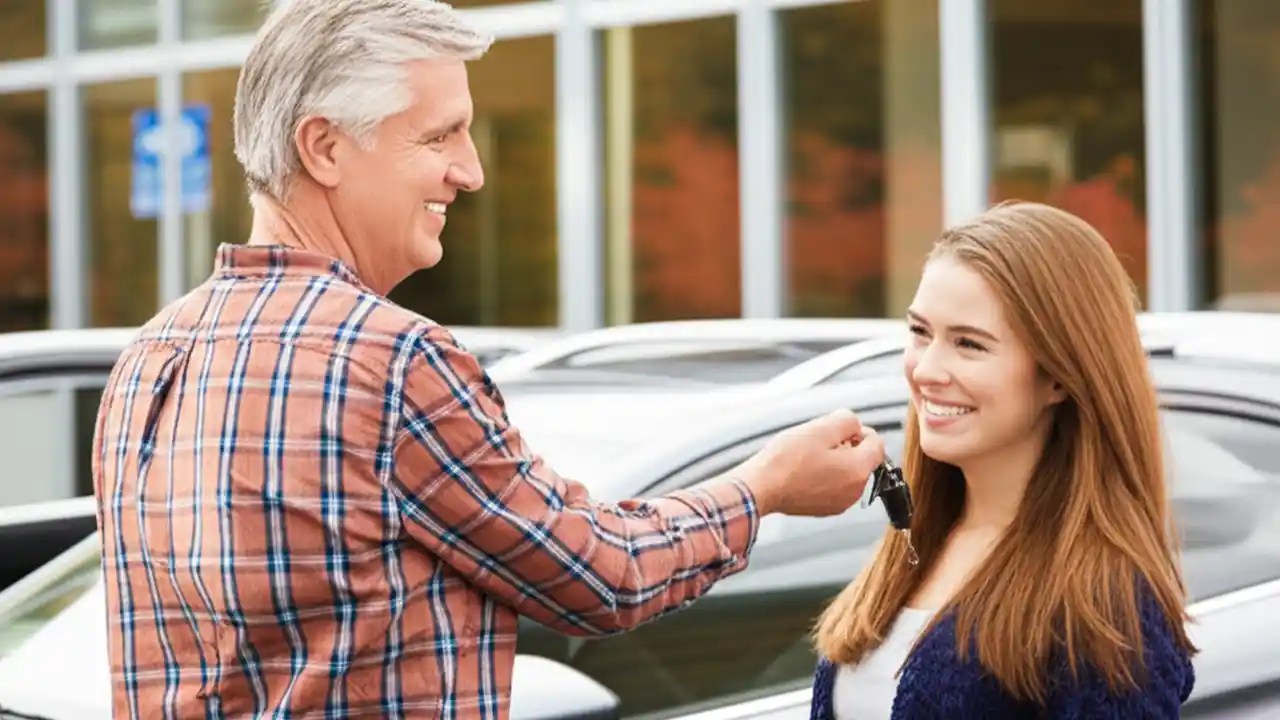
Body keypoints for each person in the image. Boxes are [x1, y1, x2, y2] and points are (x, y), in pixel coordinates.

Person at [89, 1, 886, 717]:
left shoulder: (146, 362)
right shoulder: (392, 362)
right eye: (439, 135)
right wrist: (765, 487)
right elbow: (602, 572)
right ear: (324, 147)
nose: (470, 171)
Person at [808, 201, 1197, 718]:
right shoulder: (916, 541)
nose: (927, 369)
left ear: (1059, 375)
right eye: (921, 333)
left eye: (969, 344)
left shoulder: (1106, 604)